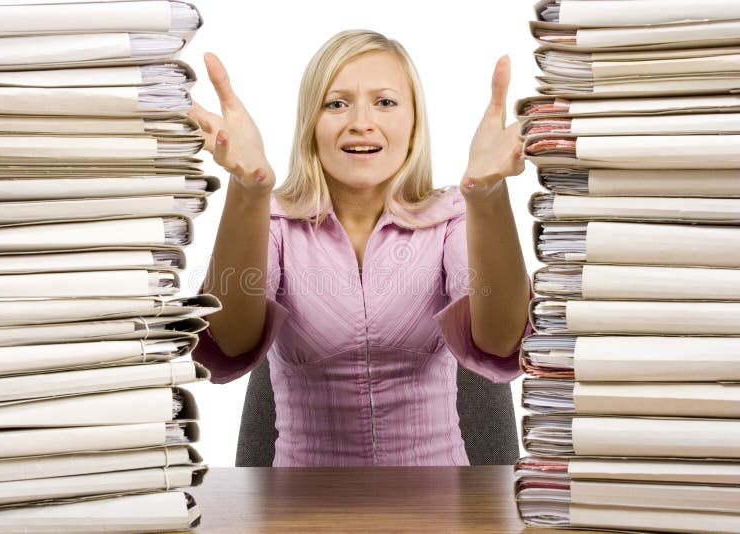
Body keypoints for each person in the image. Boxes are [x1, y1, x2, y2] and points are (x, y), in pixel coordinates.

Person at [189, 29, 531, 467]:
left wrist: (486, 196)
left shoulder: (452, 218)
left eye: (385, 102)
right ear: (311, 125)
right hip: (299, 509)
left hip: (438, 506)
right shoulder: (273, 223)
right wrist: (248, 191)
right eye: (336, 103)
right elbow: (230, 344)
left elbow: (502, 341)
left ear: (413, 127)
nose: (360, 122)